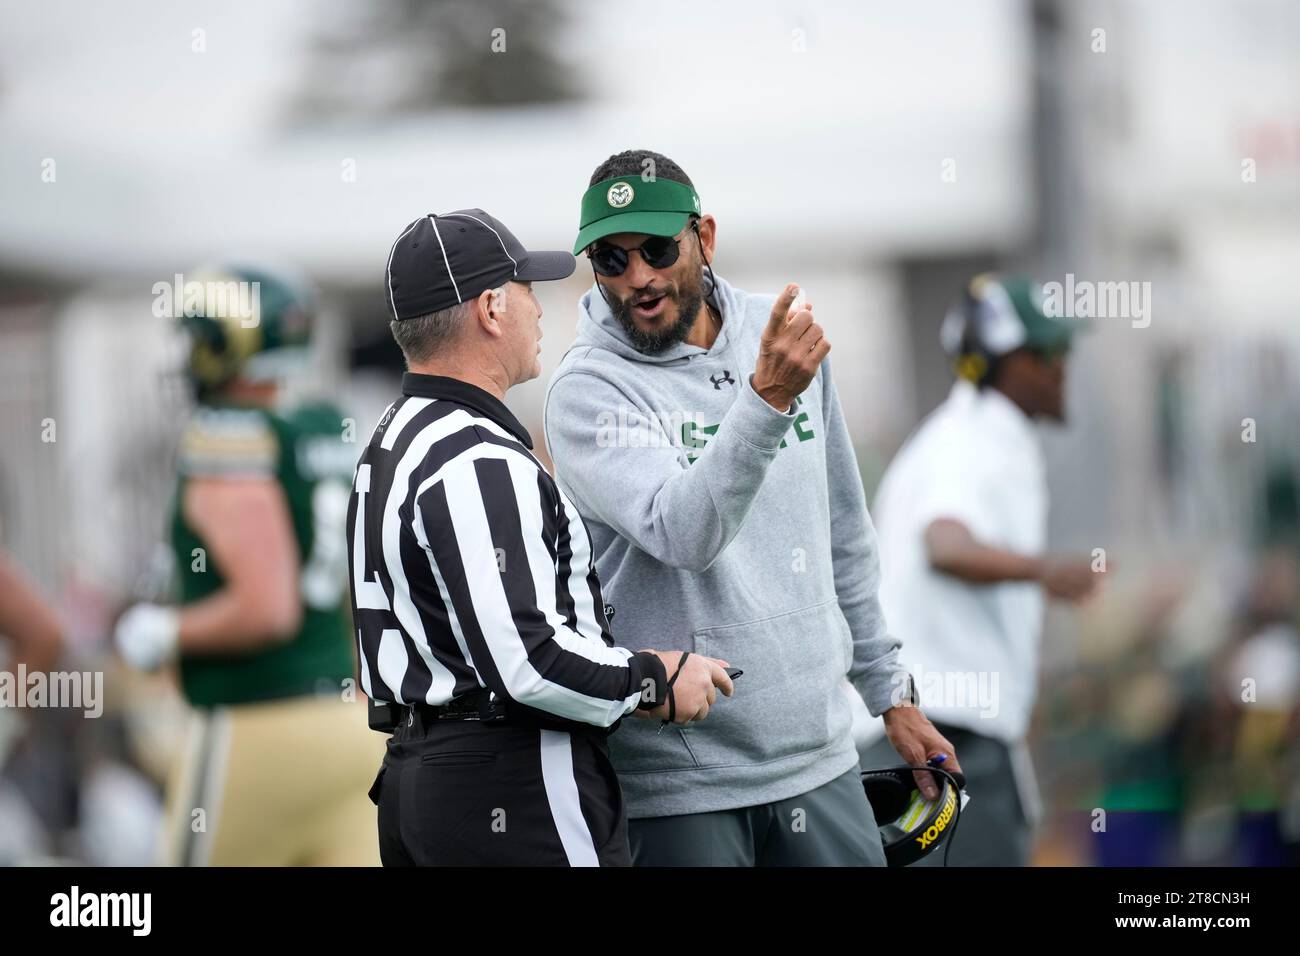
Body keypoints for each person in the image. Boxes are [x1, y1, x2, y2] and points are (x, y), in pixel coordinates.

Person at [543, 149, 959, 866]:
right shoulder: (587, 391)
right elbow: (685, 530)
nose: (637, 276)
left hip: (819, 759)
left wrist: (890, 694)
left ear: (703, 237)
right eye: (610, 259)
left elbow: (843, 534)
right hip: (680, 785)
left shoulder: (781, 336)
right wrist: (764, 403)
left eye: (655, 248)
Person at [352, 209, 730, 867]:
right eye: (526, 287)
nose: (540, 307)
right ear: (492, 309)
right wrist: (655, 679)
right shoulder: (475, 456)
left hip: (422, 775)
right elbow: (526, 664)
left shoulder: (394, 435)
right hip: (510, 782)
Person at [113, 265, 382, 865]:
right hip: (347, 727)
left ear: (223, 342)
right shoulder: (320, 428)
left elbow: (267, 607)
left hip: (255, 727)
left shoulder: (226, 434)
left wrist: (166, 631)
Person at [861, 273, 1100, 865]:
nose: (1063, 364)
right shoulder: (977, 439)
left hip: (926, 734)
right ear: (1001, 362)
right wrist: (1045, 571)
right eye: (1048, 350)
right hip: (944, 744)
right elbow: (946, 545)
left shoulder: (965, 434)